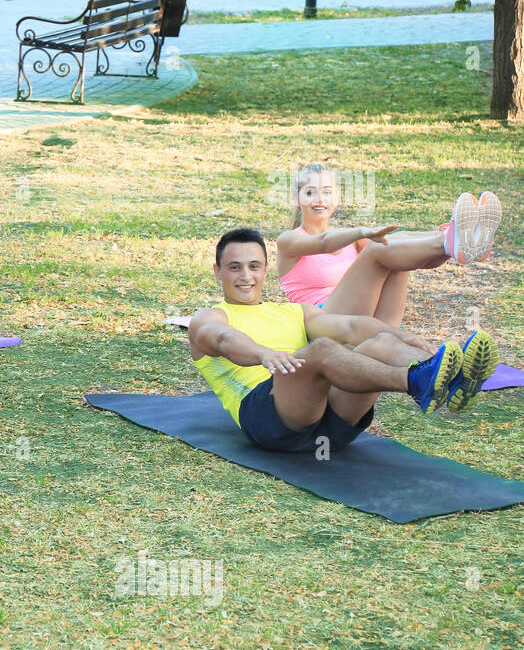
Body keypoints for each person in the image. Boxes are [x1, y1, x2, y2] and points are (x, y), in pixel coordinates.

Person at [189, 228, 499, 453]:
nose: (246, 276)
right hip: (268, 421)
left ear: (265, 270)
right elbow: (222, 339)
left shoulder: (295, 311)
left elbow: (351, 326)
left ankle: (452, 375)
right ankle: (416, 382)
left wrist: (404, 336)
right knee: (323, 350)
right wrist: (263, 354)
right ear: (218, 271)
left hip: (332, 430)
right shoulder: (210, 317)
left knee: (378, 341)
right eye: (234, 267)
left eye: (253, 266)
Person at [275, 163, 503, 325]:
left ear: (336, 198)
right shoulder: (289, 240)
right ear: (297, 199)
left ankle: (454, 242)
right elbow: (323, 243)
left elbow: (399, 247)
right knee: (378, 248)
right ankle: (448, 242)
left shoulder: (350, 238)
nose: (319, 199)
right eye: (310, 192)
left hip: (370, 320)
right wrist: (362, 232)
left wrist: (440, 233)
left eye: (327, 192)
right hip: (323, 323)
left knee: (390, 249)